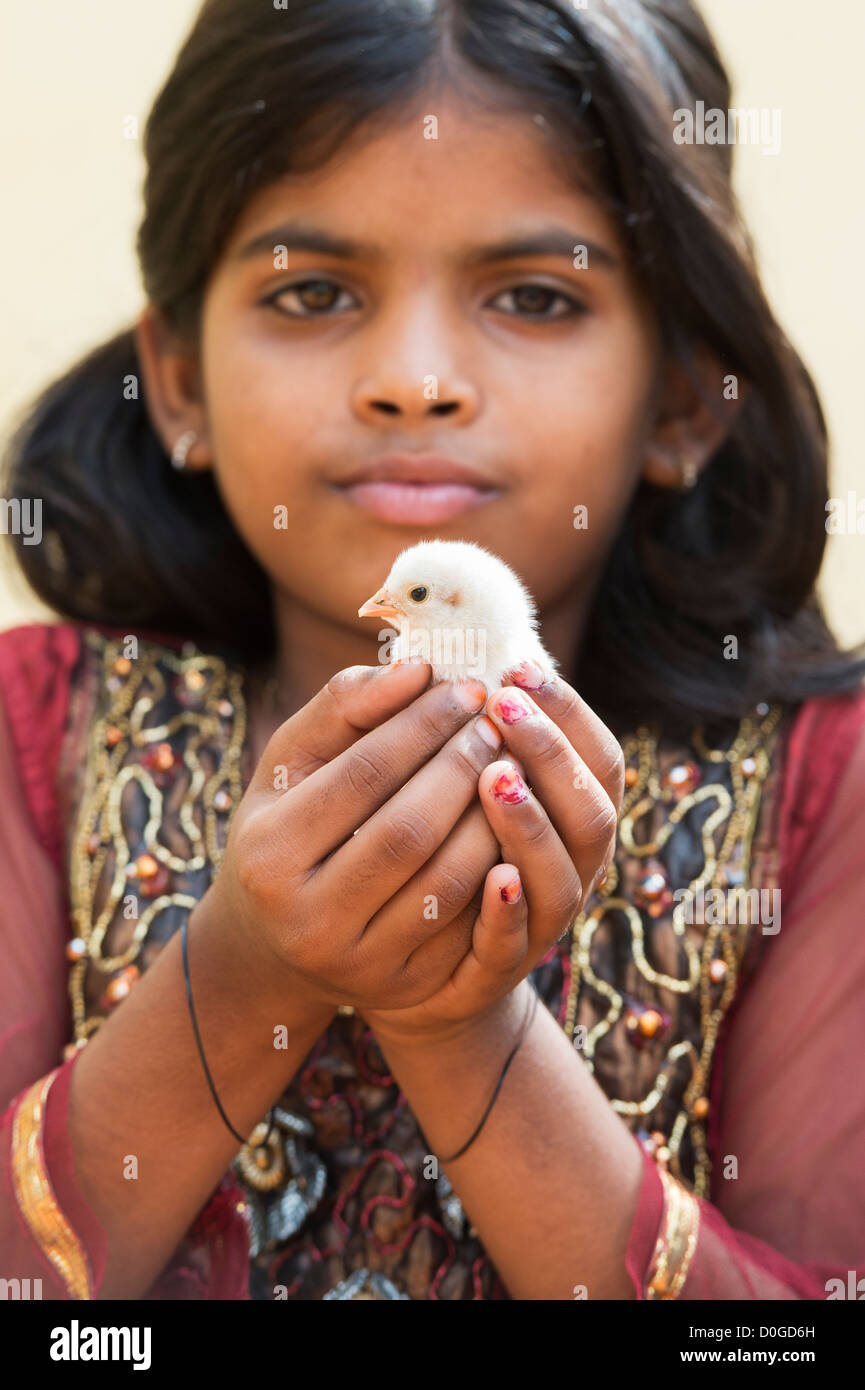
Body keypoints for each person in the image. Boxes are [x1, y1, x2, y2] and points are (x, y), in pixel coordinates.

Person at [1, 0, 864, 1302]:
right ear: (174, 378)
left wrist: (462, 1029)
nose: (412, 380)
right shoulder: (37, 738)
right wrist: (244, 969)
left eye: (533, 295)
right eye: (312, 291)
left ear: (683, 398)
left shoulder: (819, 794)